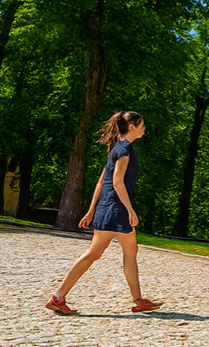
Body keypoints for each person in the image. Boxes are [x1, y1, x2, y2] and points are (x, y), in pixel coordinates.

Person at [45, 111, 163, 316]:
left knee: (124, 252)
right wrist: (130, 210)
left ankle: (138, 299)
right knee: (106, 253)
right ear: (132, 127)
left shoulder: (115, 148)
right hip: (116, 210)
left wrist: (91, 211)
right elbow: (116, 182)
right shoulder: (124, 149)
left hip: (108, 208)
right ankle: (58, 297)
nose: (145, 128)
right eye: (142, 125)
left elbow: (102, 181)